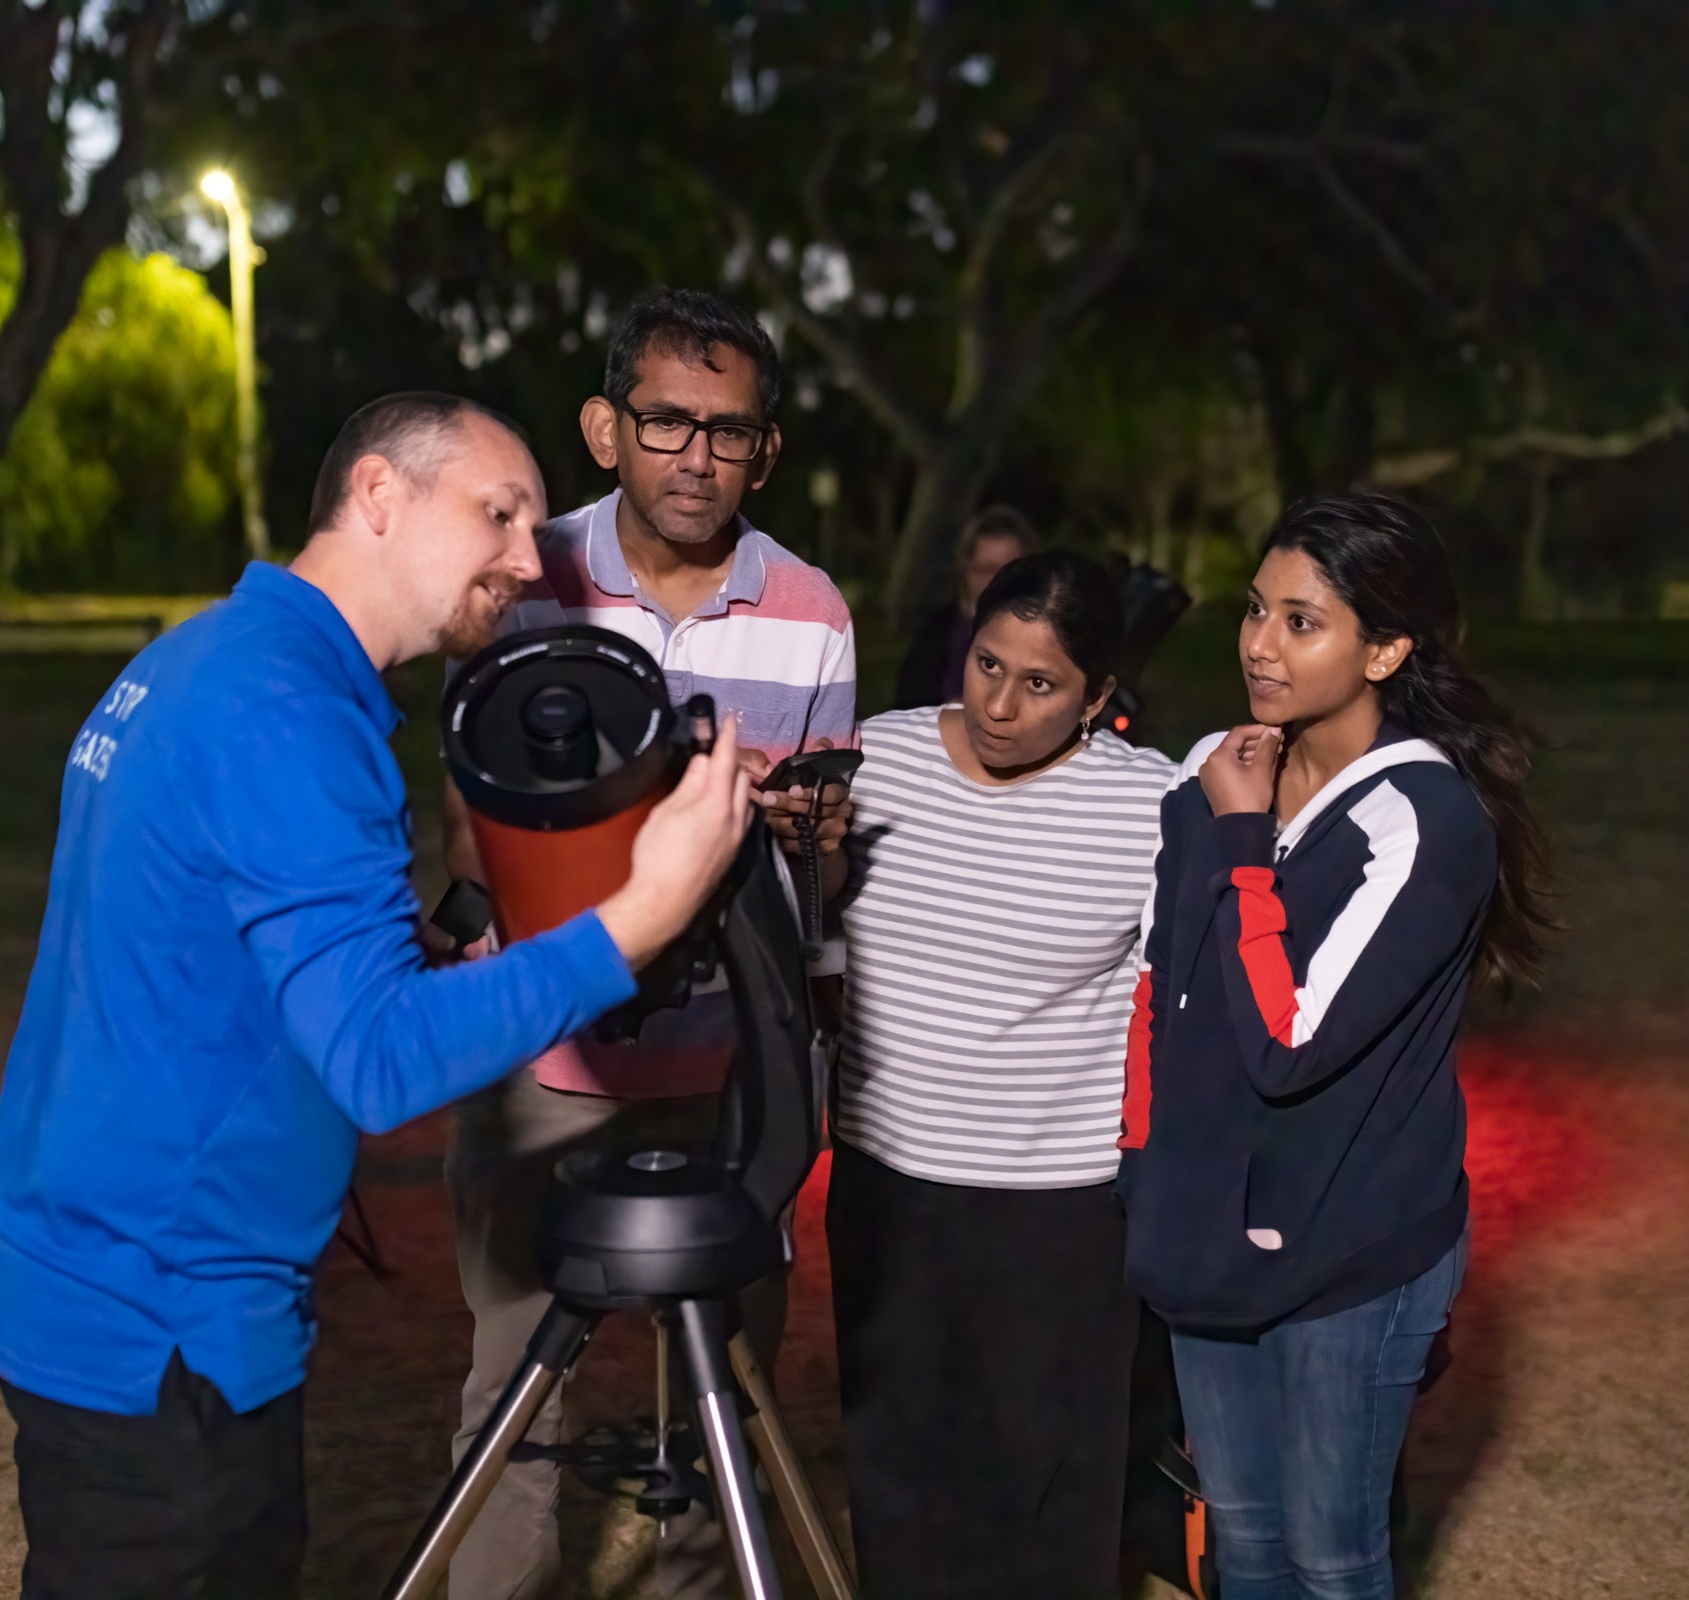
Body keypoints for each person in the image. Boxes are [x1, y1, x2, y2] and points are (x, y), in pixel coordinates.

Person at [0, 392, 758, 1600]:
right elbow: (377, 1061)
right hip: (159, 1317)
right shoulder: (285, 711)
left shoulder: (214, 659)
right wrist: (636, 919)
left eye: (535, 526)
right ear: (378, 494)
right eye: (496, 512)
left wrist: (453, 975)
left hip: (104, 1270)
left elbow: (258, 972)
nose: (522, 555)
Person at [439, 288, 857, 1600]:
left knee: (722, 1395)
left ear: (765, 453)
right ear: (606, 428)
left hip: (729, 1064)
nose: (697, 457)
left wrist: (805, 834)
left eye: (729, 432)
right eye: (667, 420)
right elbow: (468, 814)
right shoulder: (522, 577)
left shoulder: (814, 612)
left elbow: (820, 863)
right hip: (540, 1050)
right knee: (511, 1386)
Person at [1119, 492, 1553, 1600]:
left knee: (1330, 1554)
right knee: (1241, 1544)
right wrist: (1144, 1176)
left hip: (1351, 1250)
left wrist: (1242, 837)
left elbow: (1287, 1043)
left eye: (1302, 622)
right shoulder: (1211, 766)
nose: (1260, 644)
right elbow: (1162, 990)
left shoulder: (1421, 820)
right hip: (1210, 1231)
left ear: (1387, 649)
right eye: (1256, 610)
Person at [828, 550, 1175, 1600]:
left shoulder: (1150, 804)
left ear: (1098, 698)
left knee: (1045, 1480)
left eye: (1041, 684)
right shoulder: (873, 759)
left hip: (1058, 1212)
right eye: (986, 664)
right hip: (890, 1186)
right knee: (898, 1467)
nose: (1001, 703)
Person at [891, 505, 1038, 710]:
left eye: (1008, 569)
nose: (996, 580)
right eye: (985, 569)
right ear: (966, 570)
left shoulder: (1047, 637)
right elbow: (909, 708)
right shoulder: (936, 635)